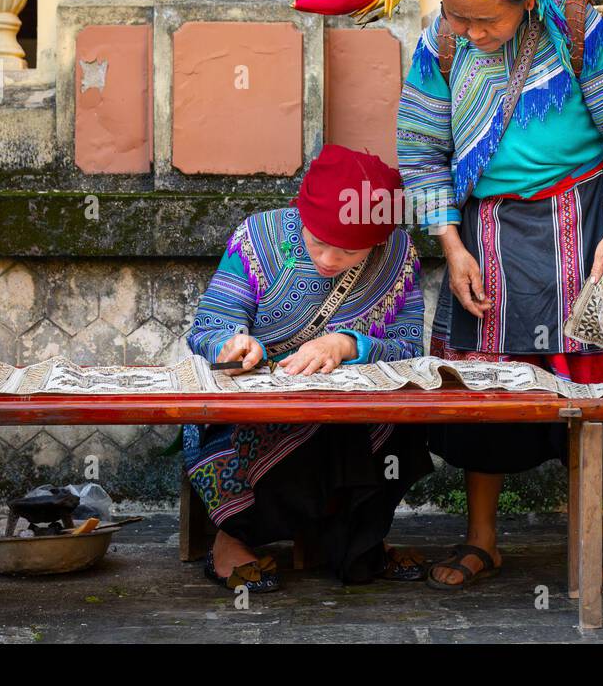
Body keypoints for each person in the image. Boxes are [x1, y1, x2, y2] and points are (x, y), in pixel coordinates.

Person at [397, 0, 603, 589]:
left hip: (589, 223)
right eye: (458, 17)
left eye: (486, 21)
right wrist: (451, 244)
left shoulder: (578, 29)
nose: (470, 33)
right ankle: (482, 539)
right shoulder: (440, 44)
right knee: (484, 384)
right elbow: (421, 149)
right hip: (488, 236)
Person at [183, 144, 431, 591]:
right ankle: (231, 539)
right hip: (255, 413)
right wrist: (233, 342)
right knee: (291, 428)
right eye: (318, 242)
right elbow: (207, 328)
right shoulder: (258, 239)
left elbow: (410, 350)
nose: (329, 260)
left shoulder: (396, 257)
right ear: (301, 216)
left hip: (347, 412)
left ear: (376, 243)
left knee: (401, 425)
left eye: (349, 252)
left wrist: (348, 344)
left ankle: (357, 542)